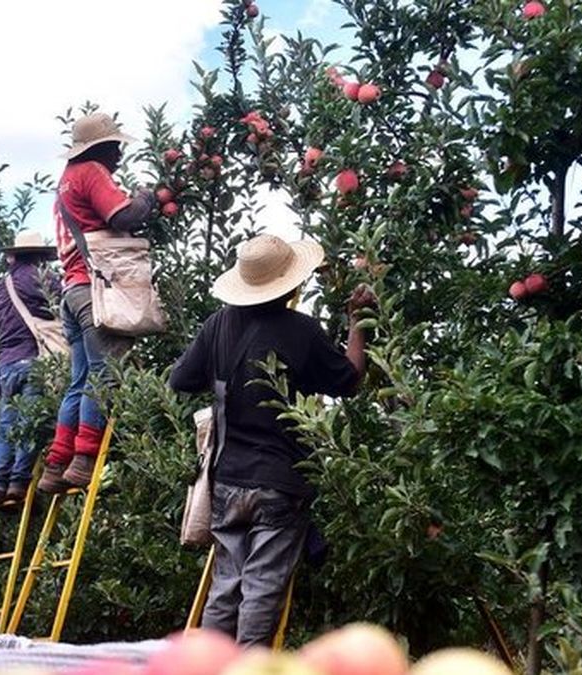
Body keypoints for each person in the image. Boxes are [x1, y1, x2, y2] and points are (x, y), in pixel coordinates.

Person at [168, 233, 376, 647]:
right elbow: (350, 378)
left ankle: (208, 664)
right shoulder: (300, 330)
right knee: (262, 586)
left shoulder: (218, 325)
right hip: (280, 481)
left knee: (226, 584)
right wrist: (358, 322)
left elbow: (180, 379)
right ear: (291, 284)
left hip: (228, 480)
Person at [38, 112, 157, 493]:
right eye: (116, 146)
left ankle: (57, 464)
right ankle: (85, 459)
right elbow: (124, 216)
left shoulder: (65, 183)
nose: (120, 154)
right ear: (101, 148)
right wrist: (147, 197)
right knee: (104, 378)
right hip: (96, 291)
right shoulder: (91, 172)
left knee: (79, 380)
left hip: (72, 293)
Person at [0, 231, 61, 503]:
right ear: (40, 257)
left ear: (13, 256)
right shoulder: (40, 278)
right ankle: (18, 482)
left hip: (6, 365)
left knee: (7, 425)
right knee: (32, 421)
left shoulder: (2, 285)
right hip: (33, 359)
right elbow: (64, 299)